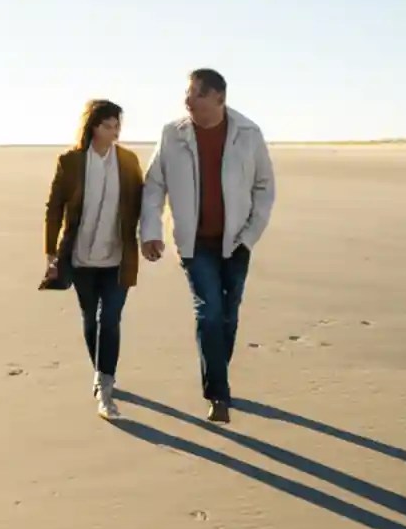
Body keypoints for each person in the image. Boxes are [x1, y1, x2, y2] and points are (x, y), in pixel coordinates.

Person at [140, 68, 276, 423]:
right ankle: (218, 394)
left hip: (236, 242)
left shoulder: (248, 134)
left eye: (197, 93)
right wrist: (151, 231)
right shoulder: (172, 134)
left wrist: (250, 235)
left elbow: (264, 187)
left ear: (219, 98)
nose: (188, 100)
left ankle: (217, 373)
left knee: (228, 315)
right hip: (194, 243)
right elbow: (154, 185)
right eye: (187, 93)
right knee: (209, 311)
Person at [44, 99, 145, 420]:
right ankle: (102, 371)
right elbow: (54, 207)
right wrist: (50, 252)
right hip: (81, 257)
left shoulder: (127, 161)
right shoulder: (71, 161)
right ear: (93, 127)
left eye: (117, 125)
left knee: (109, 318)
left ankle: (105, 386)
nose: (115, 132)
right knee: (91, 317)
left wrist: (151, 236)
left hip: (118, 257)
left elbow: (143, 202)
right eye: (108, 125)